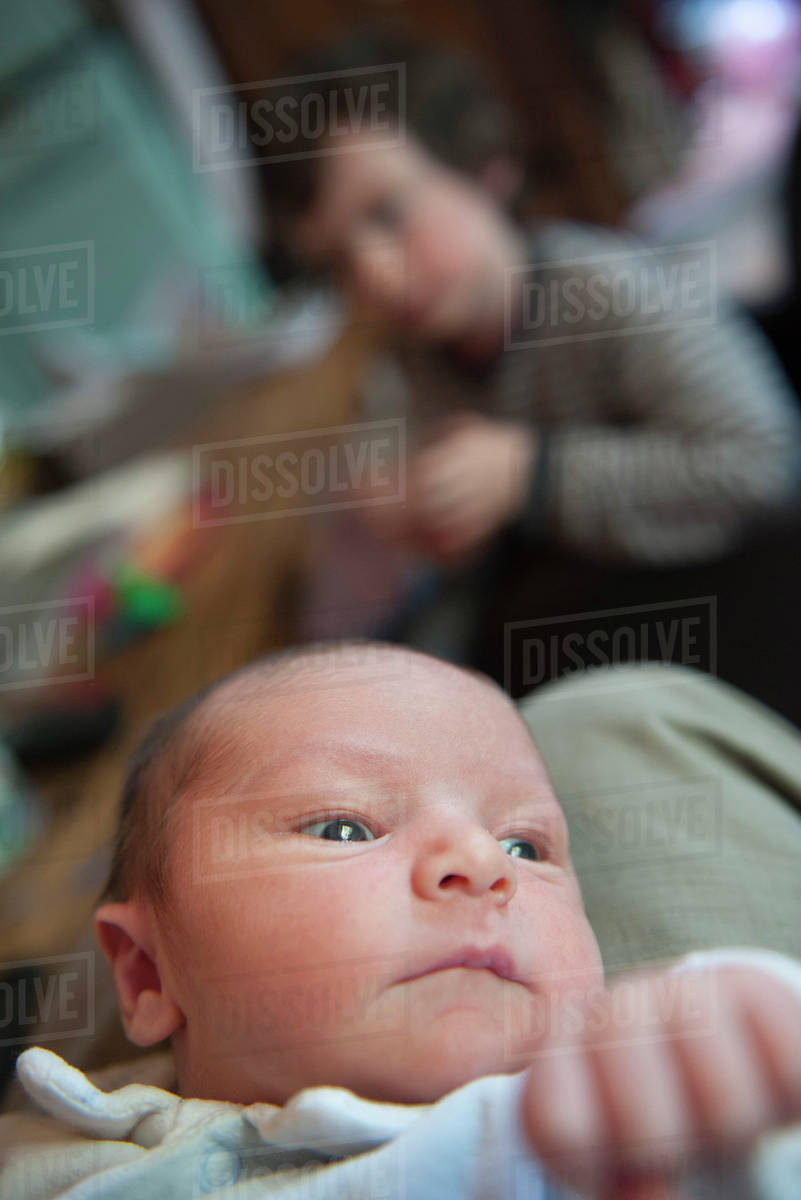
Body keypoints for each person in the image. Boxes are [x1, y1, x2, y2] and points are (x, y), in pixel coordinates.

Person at [3, 641, 801, 1199]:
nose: (482, 863)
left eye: (525, 846)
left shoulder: (634, 1127)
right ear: (146, 973)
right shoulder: (58, 1149)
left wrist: (741, 1038)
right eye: (343, 828)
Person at [264, 28, 801, 715]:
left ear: (487, 169)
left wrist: (534, 474)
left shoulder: (607, 292)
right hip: (605, 623)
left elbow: (766, 466)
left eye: (389, 214)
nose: (374, 275)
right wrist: (437, 523)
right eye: (337, 261)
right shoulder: (415, 362)